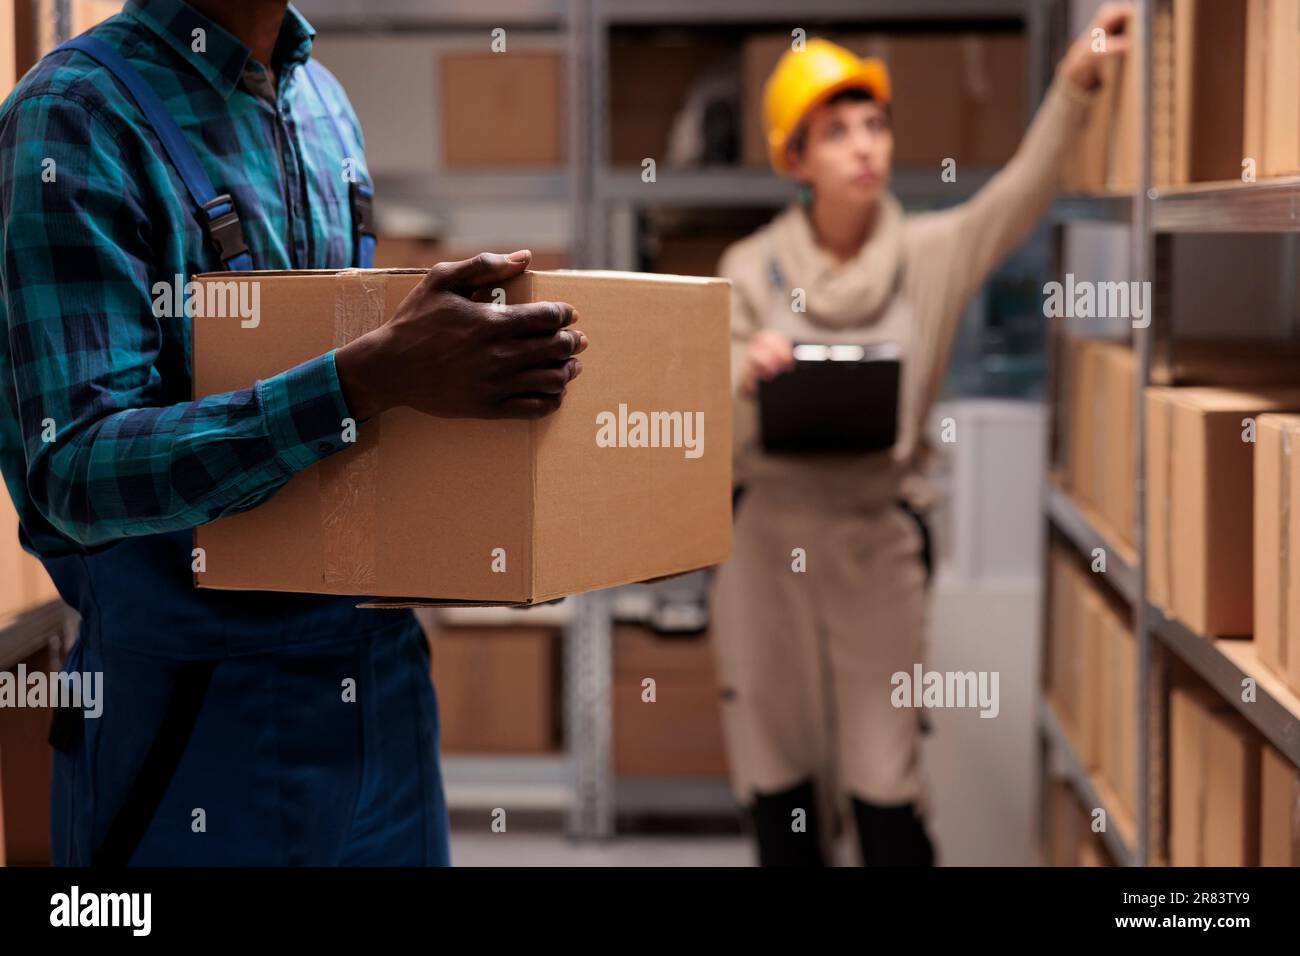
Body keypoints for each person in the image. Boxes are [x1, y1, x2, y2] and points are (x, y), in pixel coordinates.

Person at [0, 0, 586, 865]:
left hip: (377, 686)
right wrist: (366, 381)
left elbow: (353, 431)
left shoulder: (323, 105)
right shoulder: (73, 116)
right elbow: (76, 471)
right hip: (189, 712)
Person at [710, 5, 1133, 866]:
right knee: (778, 772)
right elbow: (696, 410)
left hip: (877, 534)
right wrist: (738, 366)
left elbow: (1020, 193)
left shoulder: (931, 252)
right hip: (764, 537)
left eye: (875, 126)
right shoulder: (748, 270)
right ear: (796, 159)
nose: (865, 146)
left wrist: (1073, 85)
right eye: (836, 133)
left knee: (884, 777)